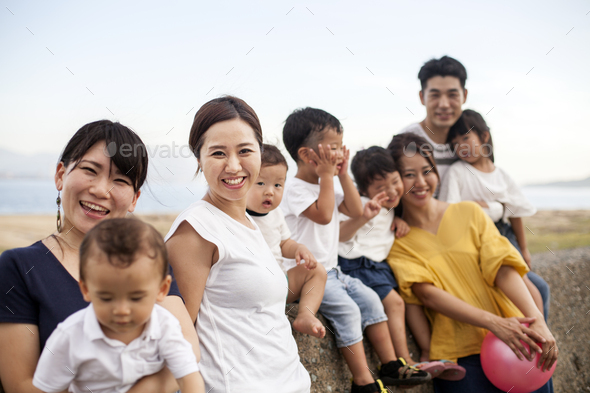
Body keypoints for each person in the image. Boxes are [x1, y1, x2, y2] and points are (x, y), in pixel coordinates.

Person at [0, 120, 199, 393]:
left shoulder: (148, 260)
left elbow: (187, 348)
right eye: (90, 170)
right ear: (61, 174)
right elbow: (22, 385)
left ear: (134, 199)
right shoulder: (18, 267)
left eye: (120, 180)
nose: (101, 190)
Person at [386, 132, 557, 393]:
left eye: (427, 170)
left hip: (517, 343)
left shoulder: (469, 212)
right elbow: (428, 295)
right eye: (409, 174)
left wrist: (537, 320)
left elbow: (503, 267)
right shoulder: (397, 242)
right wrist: (493, 323)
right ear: (395, 181)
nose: (420, 182)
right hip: (459, 357)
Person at [164, 96, 310, 393]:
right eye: (218, 153)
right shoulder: (195, 231)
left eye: (245, 151)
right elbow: (175, 335)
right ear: (199, 160)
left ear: (260, 152)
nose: (233, 166)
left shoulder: (250, 223)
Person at [281, 107, 431, 393]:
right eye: (332, 148)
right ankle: (363, 380)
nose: (338, 153)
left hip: (333, 272)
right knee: (349, 312)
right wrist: (328, 175)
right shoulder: (296, 189)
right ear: (306, 154)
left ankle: (390, 365)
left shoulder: (326, 184)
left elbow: (353, 208)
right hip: (309, 276)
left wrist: (342, 174)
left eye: (340, 147)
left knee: (373, 302)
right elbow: (325, 215)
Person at [337, 146, 465, 381]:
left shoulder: (391, 209)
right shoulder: (362, 205)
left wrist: (395, 219)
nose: (391, 191)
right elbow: (340, 235)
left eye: (395, 181)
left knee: (405, 299)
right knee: (395, 303)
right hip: (357, 265)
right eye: (380, 188)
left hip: (377, 267)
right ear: (364, 191)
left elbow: (384, 222)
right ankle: (405, 361)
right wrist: (363, 217)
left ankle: (422, 356)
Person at [33, 219, 204, 393]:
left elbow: (189, 377)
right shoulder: (70, 335)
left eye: (136, 298)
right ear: (86, 289)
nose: (121, 310)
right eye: (106, 298)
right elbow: (49, 388)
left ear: (162, 289)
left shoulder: (165, 325)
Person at [439, 109, 550, 321]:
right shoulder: (458, 172)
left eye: (465, 138)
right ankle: (540, 340)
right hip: (478, 241)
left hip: (506, 238)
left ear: (484, 136)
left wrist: (524, 249)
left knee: (539, 289)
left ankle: (539, 342)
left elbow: (516, 213)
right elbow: (449, 211)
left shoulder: (501, 175)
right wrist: (488, 205)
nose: (461, 147)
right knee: (535, 291)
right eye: (455, 143)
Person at [245, 144, 327, 338]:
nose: (270, 192)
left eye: (278, 185)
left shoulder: (276, 214)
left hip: (281, 283)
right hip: (254, 286)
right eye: (261, 183)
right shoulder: (239, 216)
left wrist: (298, 248)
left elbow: (284, 244)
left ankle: (305, 315)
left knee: (317, 271)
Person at [399, 55, 467, 183]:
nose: (444, 104)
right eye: (435, 95)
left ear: (465, 96)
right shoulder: (405, 142)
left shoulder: (473, 139)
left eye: (452, 95)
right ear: (422, 97)